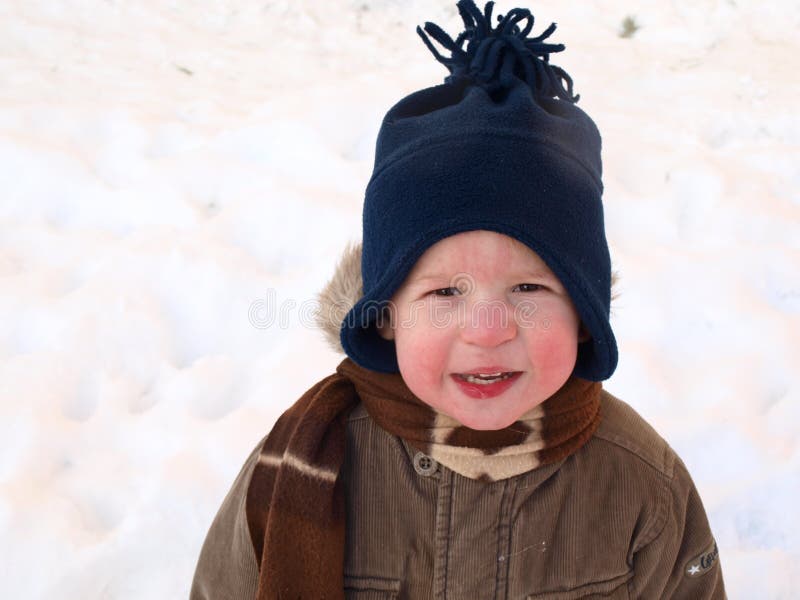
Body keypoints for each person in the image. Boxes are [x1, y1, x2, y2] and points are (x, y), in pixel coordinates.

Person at [189, 1, 726, 598]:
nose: (490, 329)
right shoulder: (304, 465)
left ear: (583, 314)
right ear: (386, 315)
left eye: (529, 287)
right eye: (445, 290)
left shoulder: (640, 483)